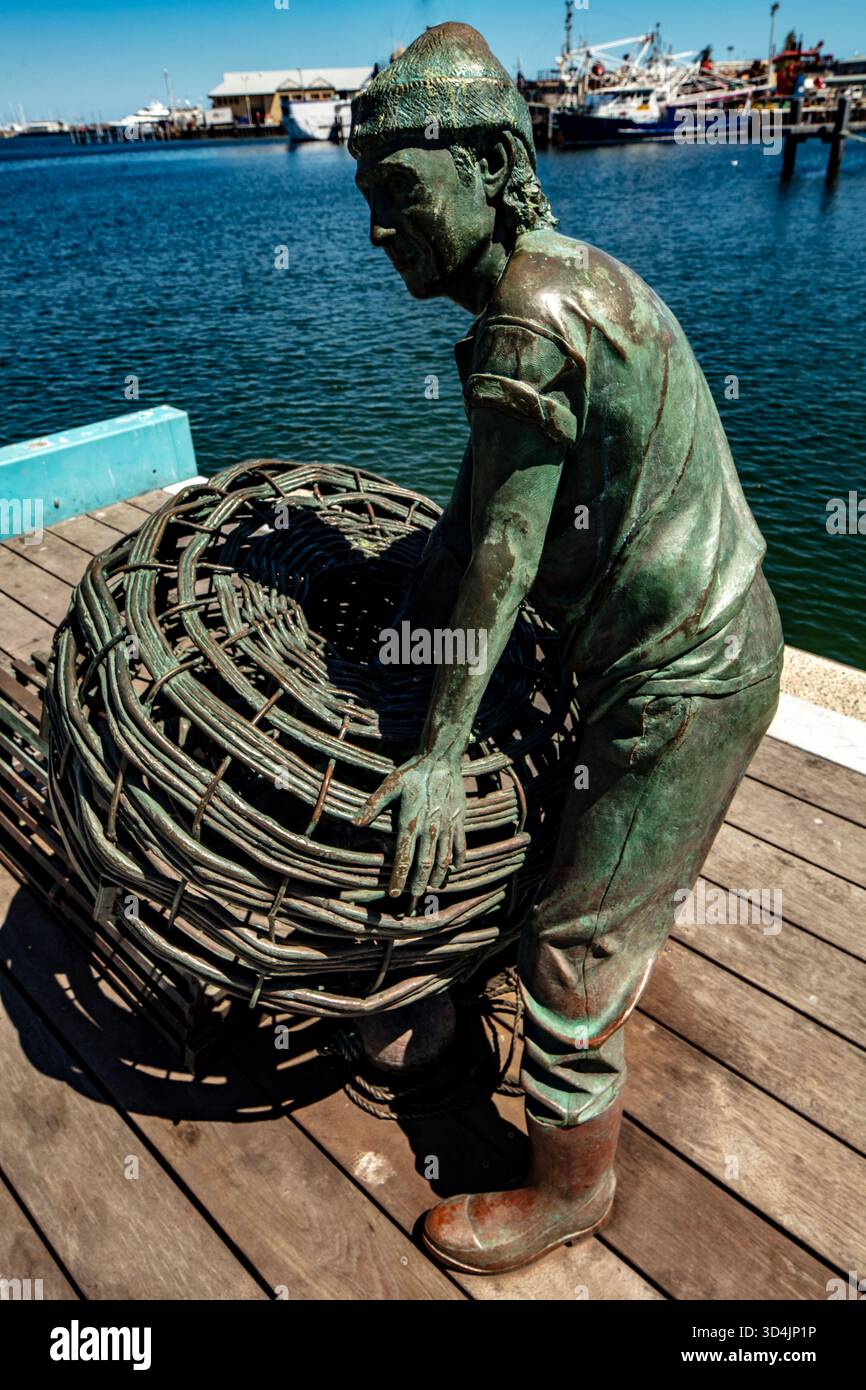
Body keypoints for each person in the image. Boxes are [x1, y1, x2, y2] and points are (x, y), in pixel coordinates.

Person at [350, 21, 784, 1275]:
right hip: (704, 632)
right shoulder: (553, 278)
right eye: (368, 198)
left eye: (401, 192)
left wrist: (434, 751)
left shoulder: (528, 325)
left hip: (682, 671)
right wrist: (410, 586)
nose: (381, 229)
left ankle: (566, 1188)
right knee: (580, 872)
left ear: (489, 164)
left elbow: (499, 566)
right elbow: (479, 511)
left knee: (576, 936)